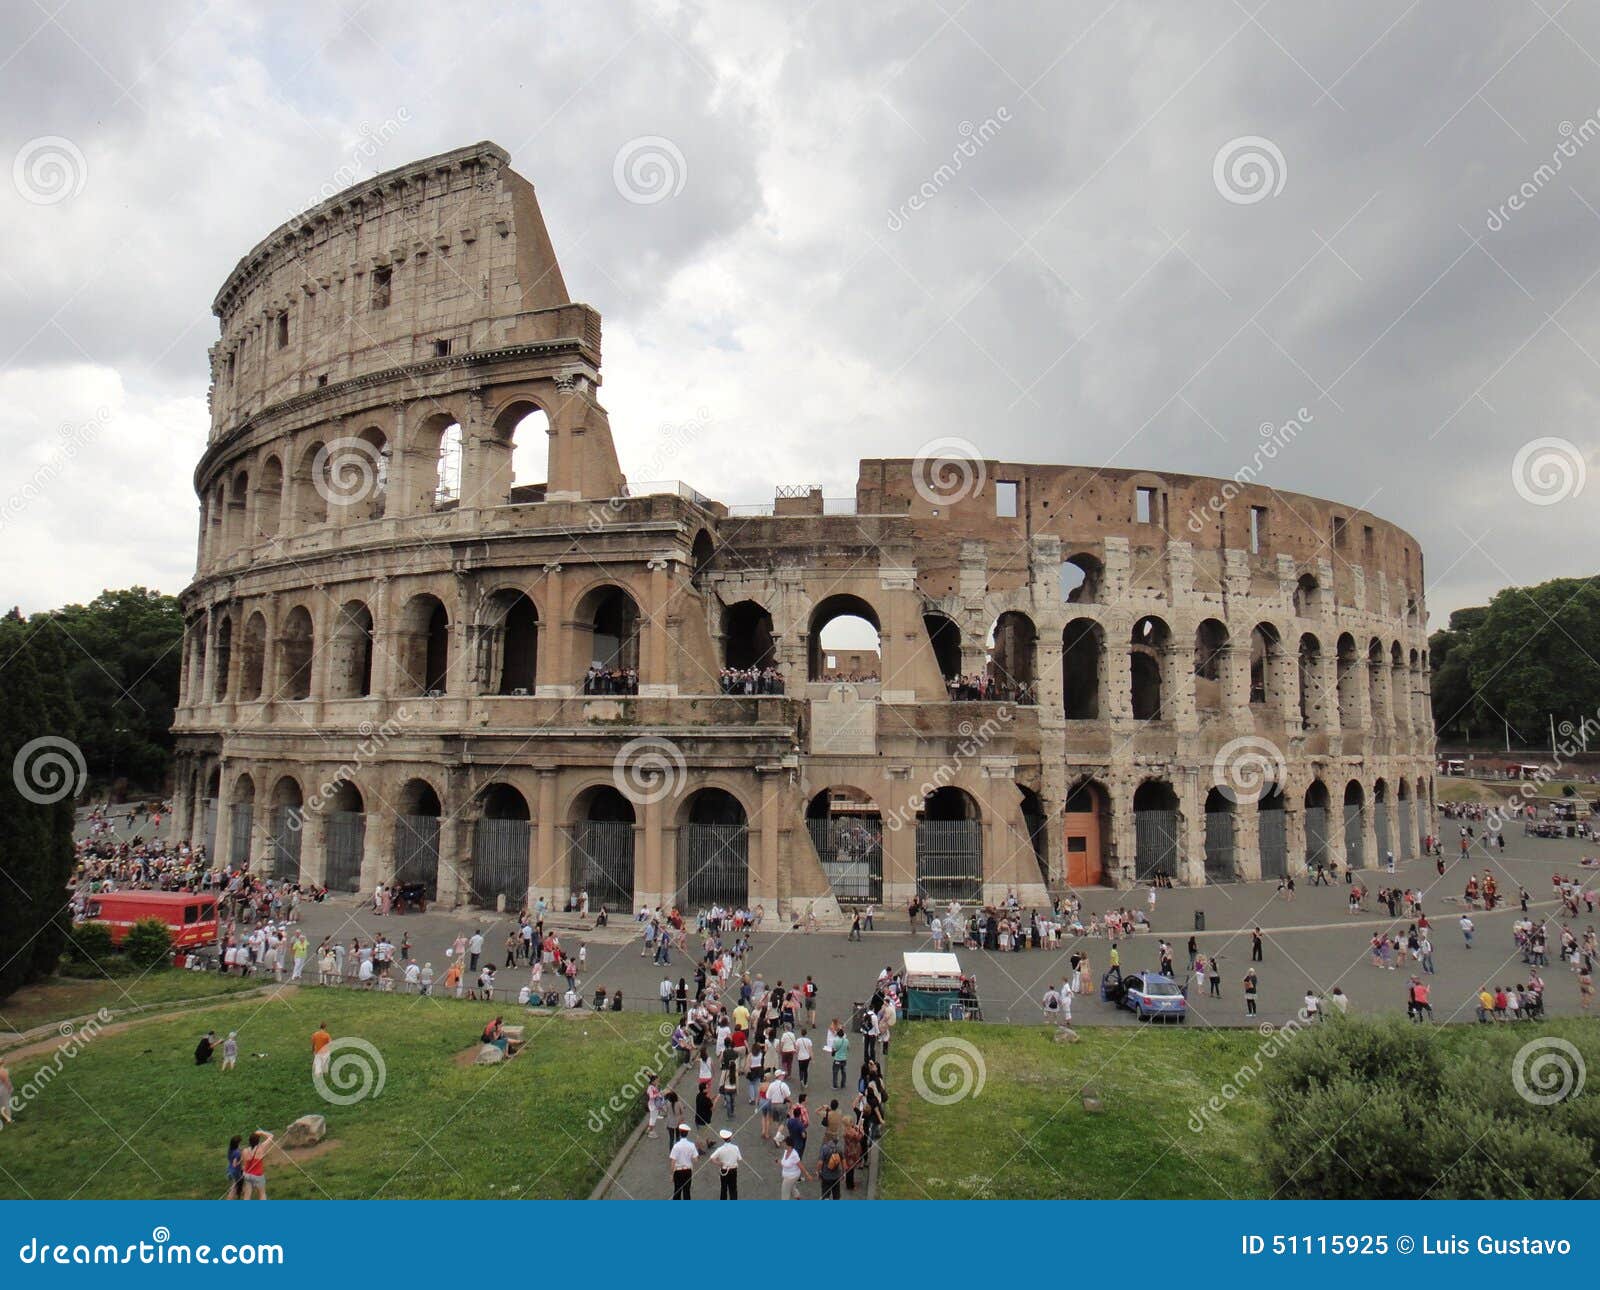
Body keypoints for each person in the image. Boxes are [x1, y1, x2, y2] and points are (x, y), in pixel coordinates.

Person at [709, 1128, 742, 1199]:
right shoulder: (735, 1148)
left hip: (724, 1170)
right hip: (733, 1170)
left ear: (722, 1138)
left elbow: (711, 1158)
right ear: (730, 1138)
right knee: (733, 1189)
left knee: (723, 1188)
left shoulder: (720, 1149)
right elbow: (739, 1159)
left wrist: (719, 1163)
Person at [240, 1129, 272, 1199]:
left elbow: (244, 1165)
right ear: (258, 1141)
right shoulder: (261, 1148)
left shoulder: (244, 1151)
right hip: (258, 1176)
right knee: (262, 1194)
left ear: (249, 1141)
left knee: (247, 1195)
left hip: (247, 1175)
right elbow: (271, 1136)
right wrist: (261, 1132)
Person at [669, 1123, 698, 1199]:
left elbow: (673, 1161)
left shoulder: (676, 1146)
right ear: (687, 1133)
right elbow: (696, 1160)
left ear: (680, 1132)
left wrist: (671, 1174)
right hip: (688, 1171)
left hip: (678, 1171)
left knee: (677, 1191)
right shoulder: (692, 1145)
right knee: (687, 1191)